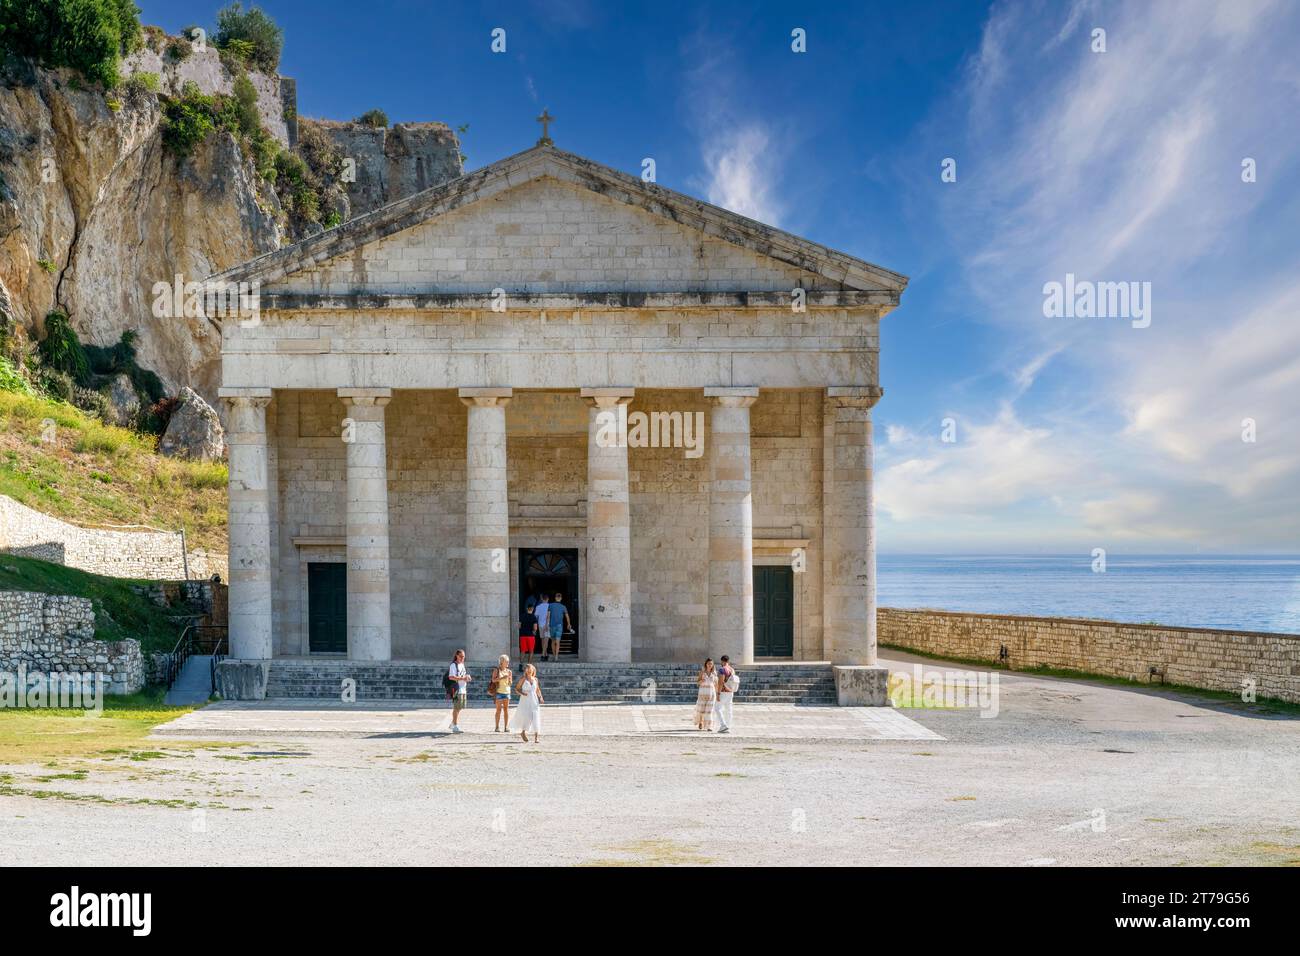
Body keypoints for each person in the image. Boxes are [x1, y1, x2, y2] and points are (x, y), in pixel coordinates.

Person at [512, 663, 544, 743]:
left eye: (530, 669)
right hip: (525, 700)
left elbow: (537, 690)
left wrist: (541, 697)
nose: (529, 671)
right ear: (525, 671)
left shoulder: (535, 679)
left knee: (536, 717)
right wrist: (522, 694)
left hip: (534, 701)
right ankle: (523, 732)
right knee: (527, 717)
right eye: (527, 669)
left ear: (533, 670)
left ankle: (536, 737)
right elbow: (516, 689)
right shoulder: (523, 679)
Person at [447, 648, 470, 733]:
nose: (462, 658)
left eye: (463, 657)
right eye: (461, 656)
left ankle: (453, 722)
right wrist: (463, 678)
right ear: (457, 656)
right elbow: (451, 677)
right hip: (457, 689)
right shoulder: (453, 665)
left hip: (463, 688)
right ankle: (455, 726)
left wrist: (467, 677)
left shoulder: (462, 664)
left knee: (460, 707)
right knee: (456, 707)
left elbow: (462, 674)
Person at [715, 654, 739, 734]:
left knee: (717, 708)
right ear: (728, 661)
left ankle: (723, 725)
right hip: (730, 691)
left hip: (723, 691)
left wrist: (718, 693)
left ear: (722, 661)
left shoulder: (722, 670)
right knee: (729, 709)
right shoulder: (732, 669)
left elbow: (721, 682)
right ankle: (728, 726)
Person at [546, 591, 572, 660]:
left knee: (553, 641)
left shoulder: (550, 605)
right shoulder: (563, 607)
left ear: (555, 598)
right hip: (559, 625)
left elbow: (548, 616)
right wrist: (569, 624)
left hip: (552, 625)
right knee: (557, 641)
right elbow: (567, 616)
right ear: (561, 598)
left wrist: (547, 624)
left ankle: (555, 655)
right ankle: (556, 656)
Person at [490, 654, 512, 732]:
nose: (508, 663)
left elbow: (510, 683)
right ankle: (497, 727)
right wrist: (502, 678)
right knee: (498, 710)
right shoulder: (497, 670)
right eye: (506, 661)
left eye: (508, 661)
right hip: (499, 692)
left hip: (507, 692)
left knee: (506, 710)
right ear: (502, 662)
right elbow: (493, 680)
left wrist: (509, 680)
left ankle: (506, 727)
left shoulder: (509, 671)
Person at [695, 657, 717, 731]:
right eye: (708, 664)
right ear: (706, 664)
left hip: (711, 694)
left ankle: (709, 726)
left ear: (713, 665)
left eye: (711, 664)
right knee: (701, 709)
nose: (710, 665)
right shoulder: (702, 672)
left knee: (709, 710)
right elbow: (697, 683)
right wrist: (701, 680)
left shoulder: (714, 673)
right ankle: (701, 721)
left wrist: (717, 694)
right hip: (702, 693)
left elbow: (716, 684)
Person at [533, 594, 551, 661]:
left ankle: (545, 654)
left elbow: (536, 617)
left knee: (543, 640)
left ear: (542, 599)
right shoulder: (550, 606)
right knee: (546, 640)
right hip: (548, 625)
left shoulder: (538, 607)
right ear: (547, 599)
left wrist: (536, 625)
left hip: (540, 624)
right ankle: (543, 655)